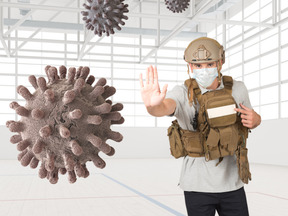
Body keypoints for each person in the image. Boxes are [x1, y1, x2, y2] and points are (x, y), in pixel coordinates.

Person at [139, 37, 261, 216]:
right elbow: (165, 107)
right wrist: (152, 106)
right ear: (190, 67)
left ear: (220, 63)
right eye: (198, 65)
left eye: (209, 63)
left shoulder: (238, 89)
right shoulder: (182, 93)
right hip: (197, 186)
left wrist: (256, 119)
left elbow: (251, 119)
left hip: (232, 183)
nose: (204, 70)